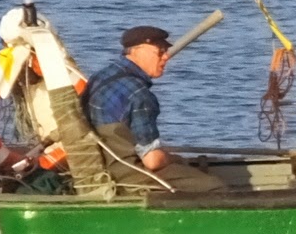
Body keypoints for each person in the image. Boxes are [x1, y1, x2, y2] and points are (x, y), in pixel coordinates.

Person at [84, 25, 224, 192]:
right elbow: (153, 161)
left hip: (101, 166)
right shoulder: (139, 94)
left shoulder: (101, 76)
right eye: (160, 51)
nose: (166, 57)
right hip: (127, 174)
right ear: (137, 50)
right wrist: (174, 159)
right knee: (214, 187)